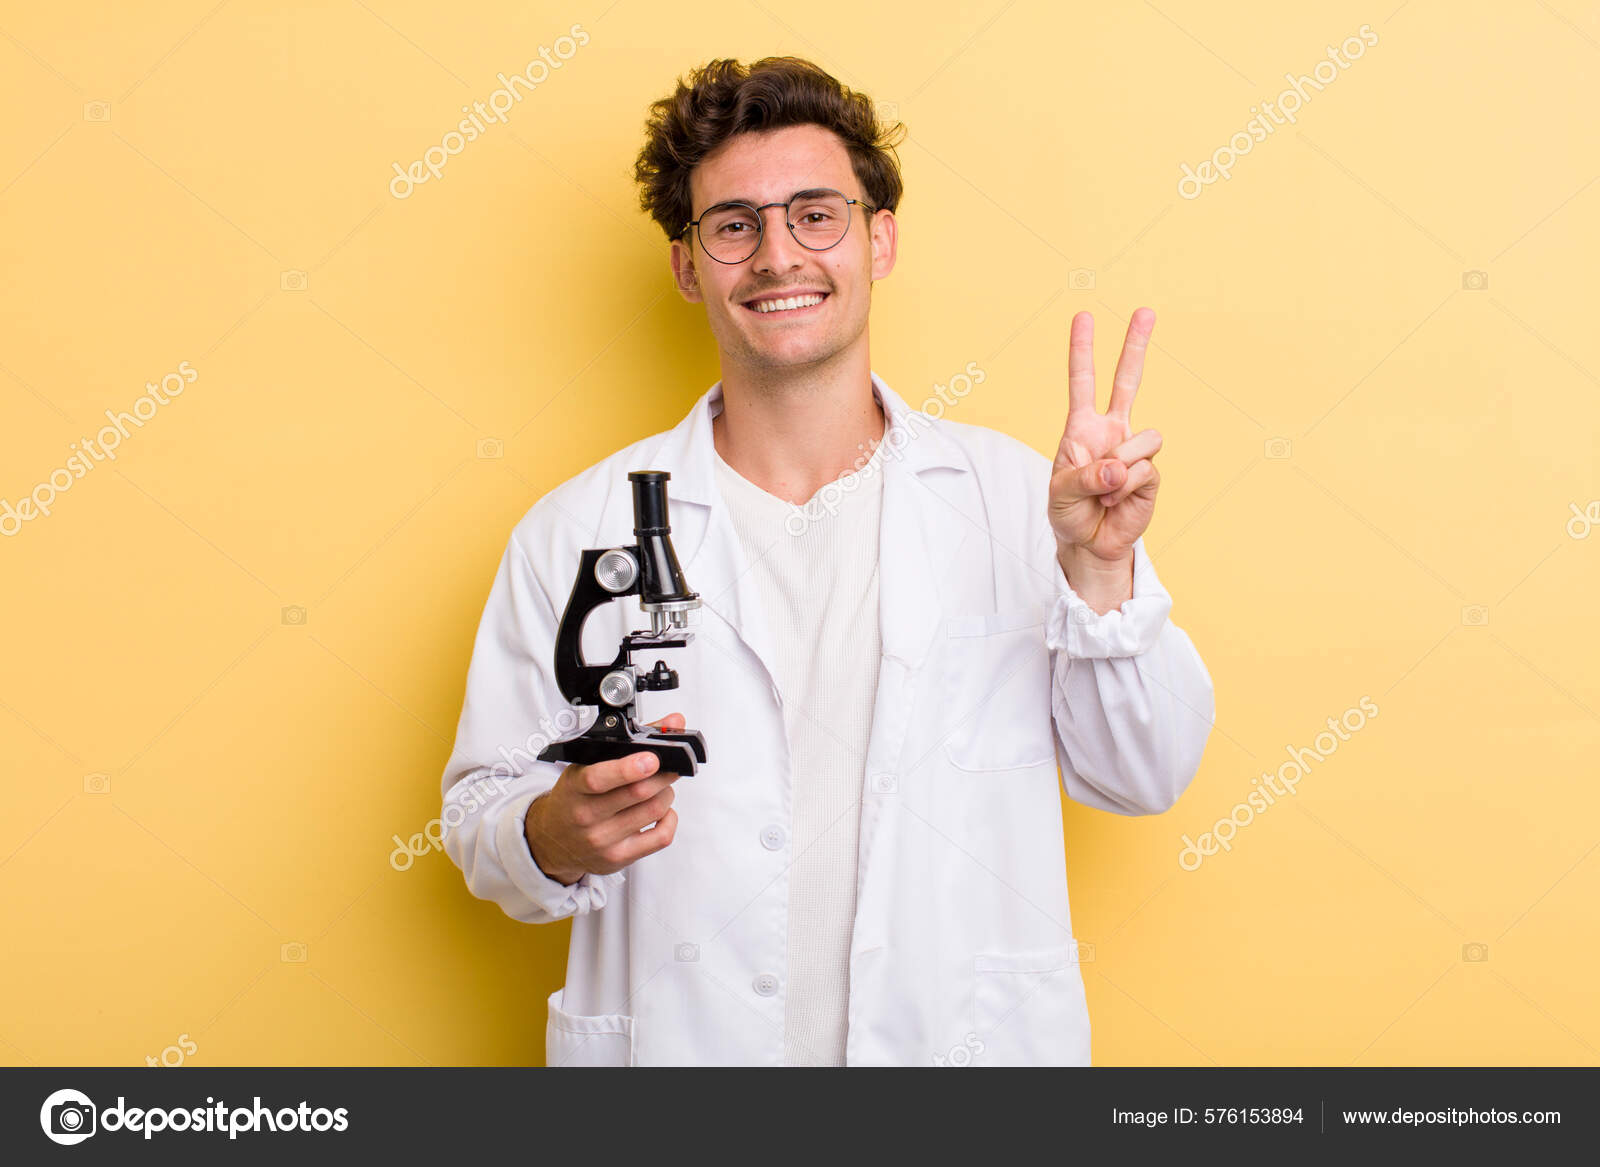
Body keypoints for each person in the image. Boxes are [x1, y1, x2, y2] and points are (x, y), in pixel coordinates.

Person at [440, 56, 1214, 1066]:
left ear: (877, 238)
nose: (776, 255)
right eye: (733, 225)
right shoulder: (576, 530)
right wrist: (548, 836)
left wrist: (1102, 574)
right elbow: (476, 818)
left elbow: (1144, 775)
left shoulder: (1019, 500)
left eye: (815, 213)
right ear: (687, 265)